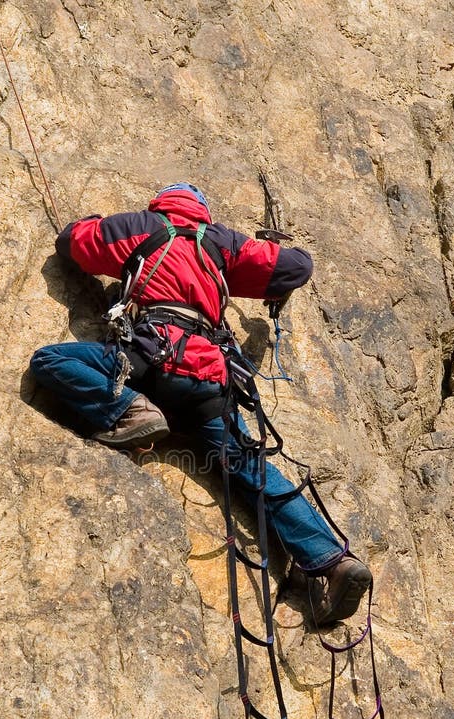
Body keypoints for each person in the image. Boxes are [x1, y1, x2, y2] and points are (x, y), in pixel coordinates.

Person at [30, 183, 372, 622]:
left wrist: (92, 223)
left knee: (51, 360)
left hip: (146, 358)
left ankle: (130, 409)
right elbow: (297, 266)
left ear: (161, 203)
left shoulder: (140, 227)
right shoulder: (221, 244)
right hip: (208, 380)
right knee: (252, 470)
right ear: (203, 211)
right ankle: (331, 561)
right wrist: (272, 255)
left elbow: (74, 242)